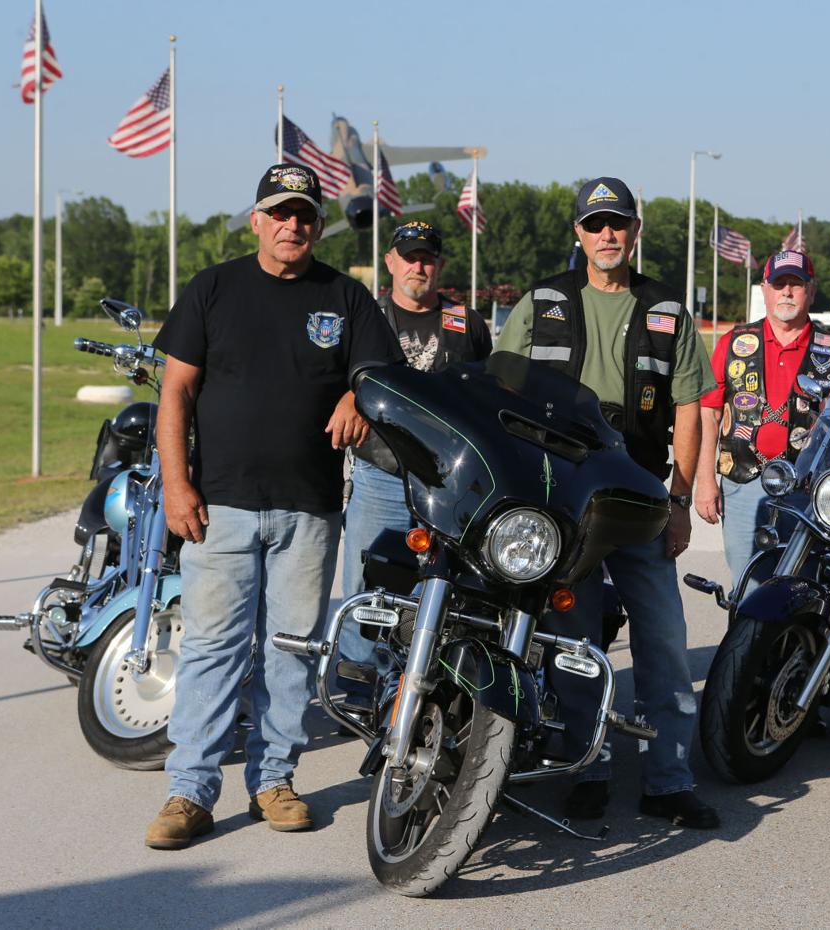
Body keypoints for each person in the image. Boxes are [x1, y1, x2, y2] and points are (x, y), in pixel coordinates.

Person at [144, 163, 404, 850]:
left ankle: (275, 781)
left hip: (309, 507)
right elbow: (174, 393)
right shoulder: (213, 289)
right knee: (211, 649)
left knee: (290, 650)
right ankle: (189, 791)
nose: (293, 225)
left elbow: (382, 375)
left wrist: (356, 395)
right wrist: (178, 485)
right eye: (280, 213)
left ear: (319, 224)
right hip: (219, 505)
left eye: (305, 215)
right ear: (257, 220)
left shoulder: (345, 298)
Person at [494, 176, 720, 829]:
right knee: (576, 641)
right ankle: (585, 769)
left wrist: (679, 498)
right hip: (561, 498)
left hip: (641, 495)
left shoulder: (666, 311)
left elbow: (689, 407)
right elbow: (502, 393)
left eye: (618, 223)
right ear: (579, 234)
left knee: (665, 641)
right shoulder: (543, 303)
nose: (607, 235)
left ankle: (669, 780)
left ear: (635, 231)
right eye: (595, 225)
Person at [337, 220, 492, 707]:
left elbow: (487, 393)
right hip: (381, 470)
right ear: (390, 262)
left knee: (441, 585)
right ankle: (357, 682)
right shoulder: (368, 315)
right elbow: (338, 376)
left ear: (439, 264)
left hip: (446, 483)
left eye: (426, 257)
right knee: (370, 582)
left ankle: (421, 683)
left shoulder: (465, 324)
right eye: (409, 256)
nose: (417, 265)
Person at [695, 249, 830, 590]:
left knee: (803, 586)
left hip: (808, 490)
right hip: (743, 484)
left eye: (796, 284)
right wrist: (705, 482)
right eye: (779, 283)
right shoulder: (733, 343)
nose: (786, 292)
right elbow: (709, 415)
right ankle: (744, 644)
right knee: (746, 587)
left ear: (811, 291)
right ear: (765, 290)